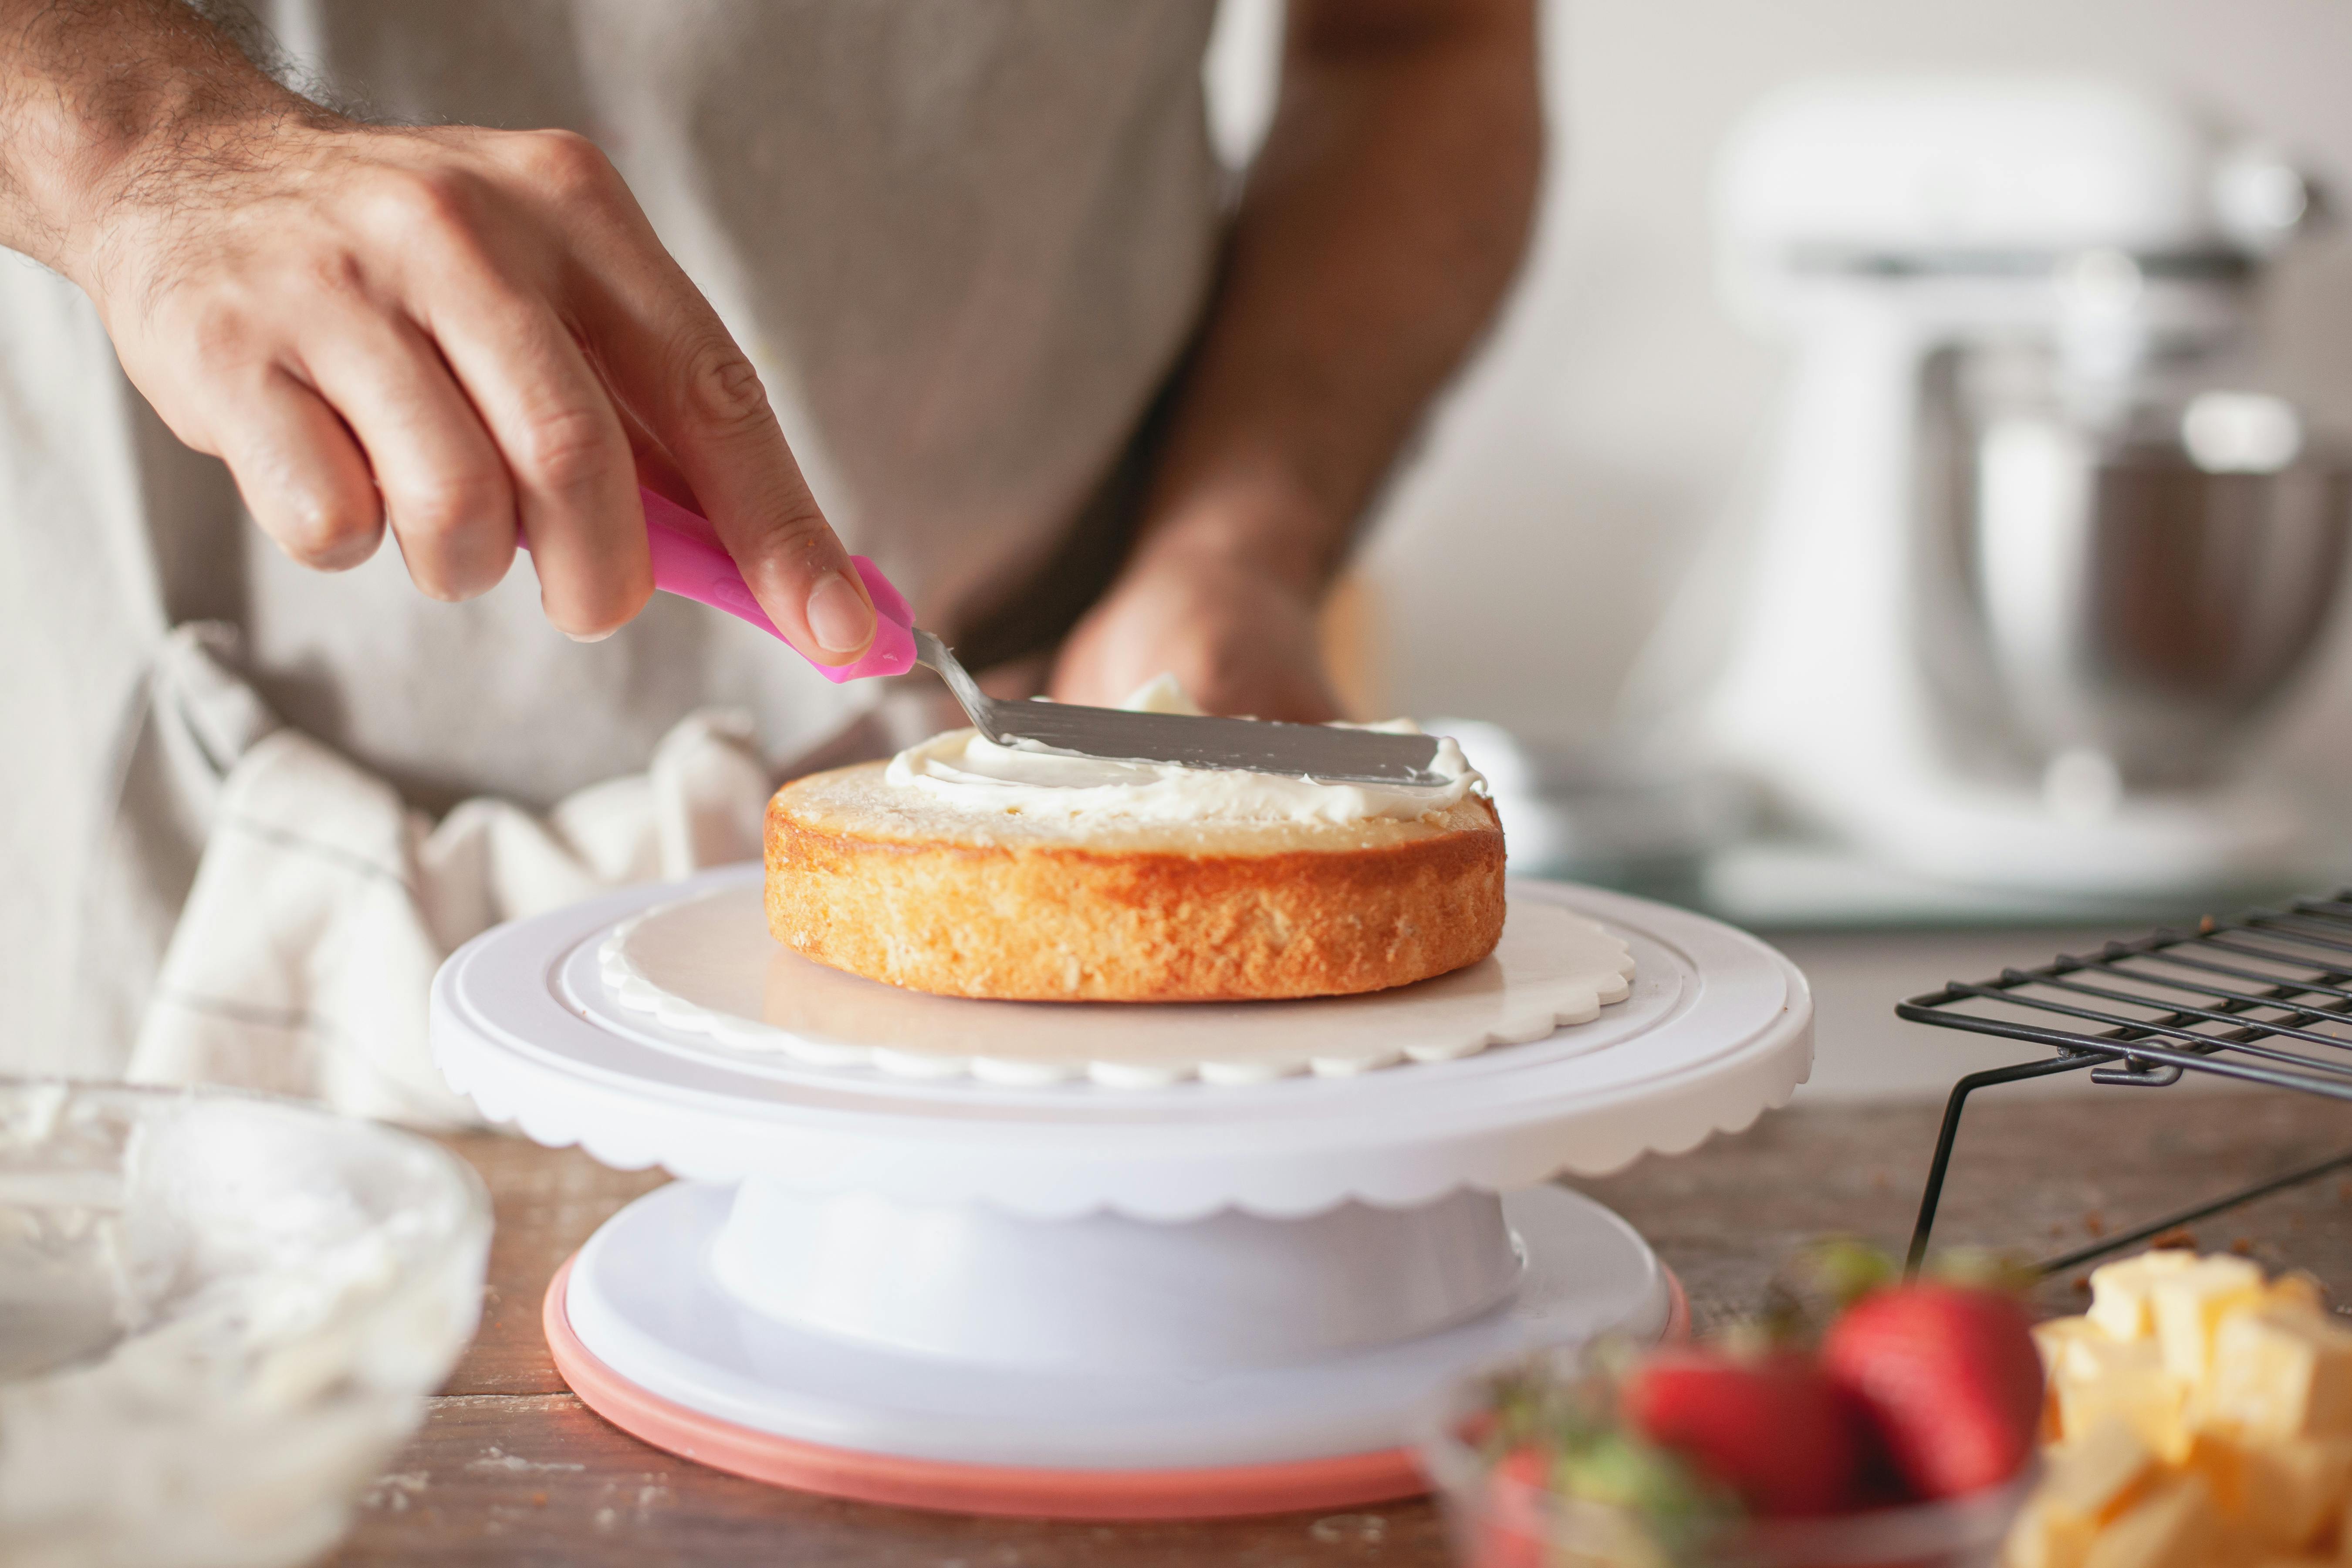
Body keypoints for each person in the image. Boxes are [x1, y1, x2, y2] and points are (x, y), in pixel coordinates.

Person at [0, 0, 1539, 1118]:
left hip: (1044, 864)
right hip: (173, 880)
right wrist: (148, 142)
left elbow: (1417, 46)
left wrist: (1238, 545)